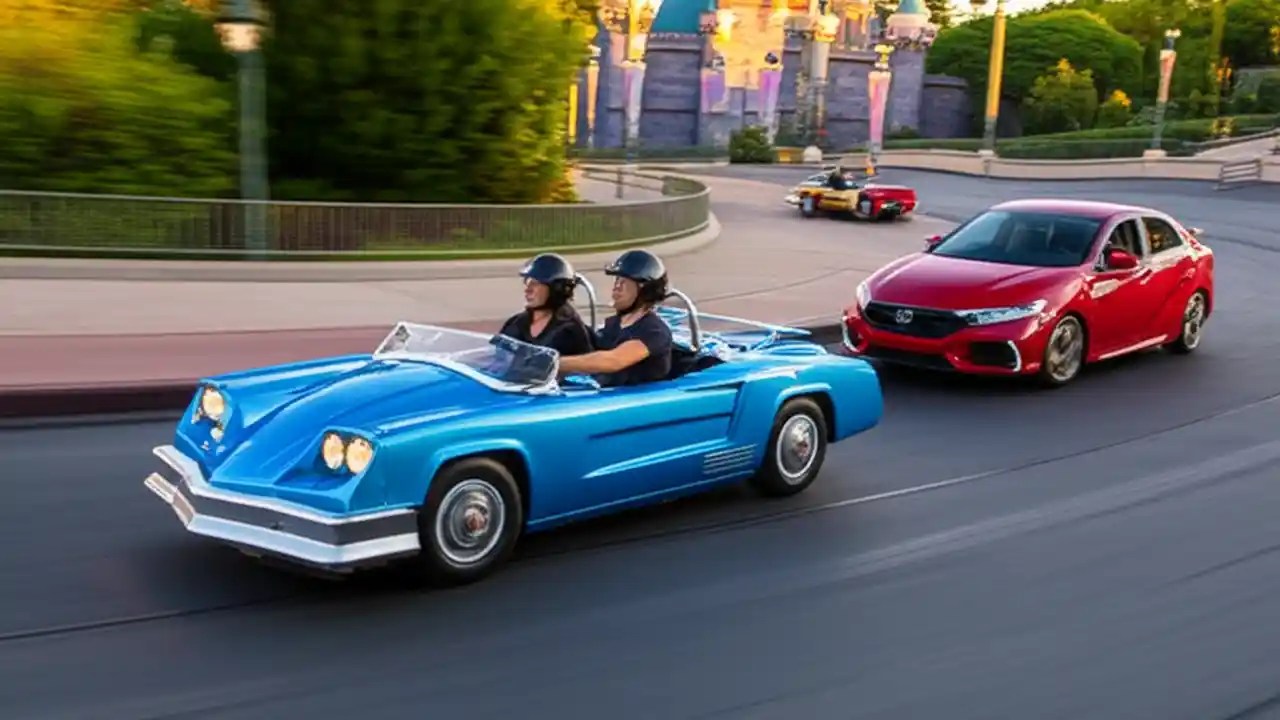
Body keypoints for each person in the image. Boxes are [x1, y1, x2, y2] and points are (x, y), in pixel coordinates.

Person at [556, 249, 673, 387]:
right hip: (609, 396)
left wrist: (553, 363)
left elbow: (613, 361)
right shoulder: (614, 324)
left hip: (640, 402)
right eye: (616, 281)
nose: (616, 288)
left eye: (623, 282)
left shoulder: (654, 331)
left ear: (644, 289)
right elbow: (591, 348)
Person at [496, 253, 594, 357]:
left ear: (556, 289)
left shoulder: (570, 332)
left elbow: (583, 369)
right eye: (528, 282)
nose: (528, 290)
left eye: (535, 284)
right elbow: (496, 360)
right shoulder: (515, 323)